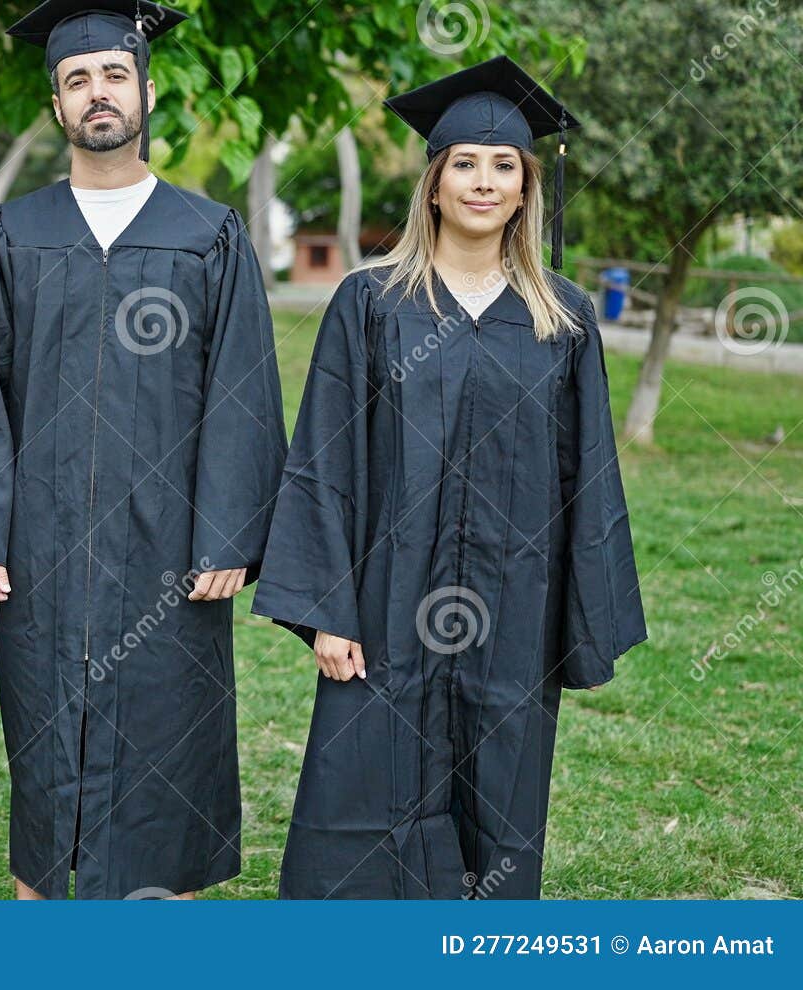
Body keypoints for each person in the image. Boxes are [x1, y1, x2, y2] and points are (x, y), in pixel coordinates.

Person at [251, 56, 648, 899]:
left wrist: (574, 624)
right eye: (464, 163)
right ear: (433, 184)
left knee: (495, 817)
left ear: (526, 188)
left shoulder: (564, 320)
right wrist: (328, 610)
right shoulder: (371, 306)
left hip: (513, 619)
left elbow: (590, 482)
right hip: (385, 620)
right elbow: (325, 461)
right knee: (364, 815)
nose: (484, 181)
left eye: (504, 166)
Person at [0, 0, 289, 899]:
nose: (96, 93)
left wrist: (228, 533)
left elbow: (244, 388)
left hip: (169, 547)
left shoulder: (207, 233)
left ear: (145, 87)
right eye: (75, 79)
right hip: (42, 548)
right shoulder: (13, 233)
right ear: (55, 104)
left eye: (112, 74)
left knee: (167, 754)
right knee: (46, 754)